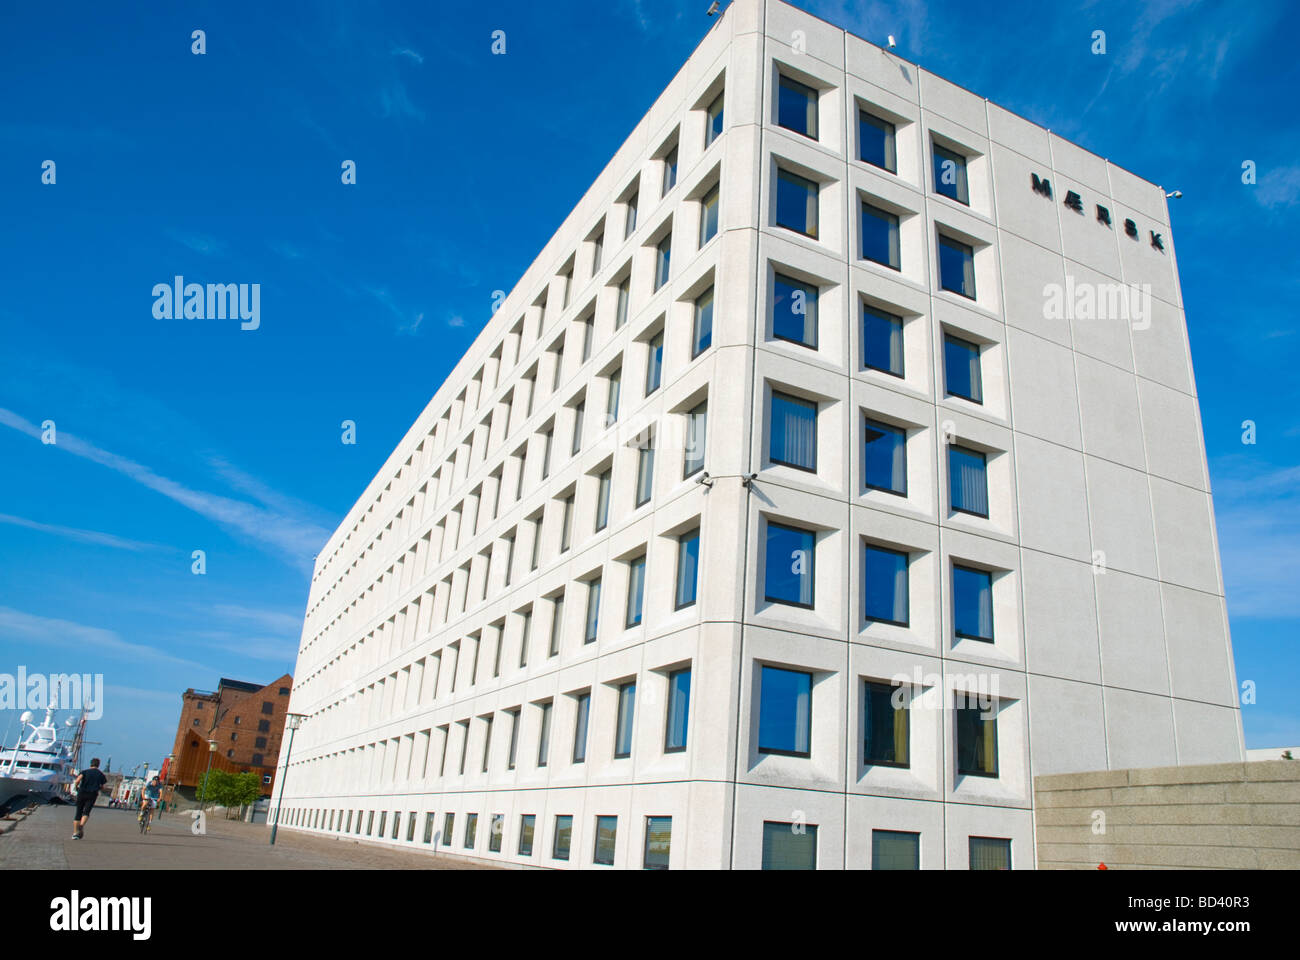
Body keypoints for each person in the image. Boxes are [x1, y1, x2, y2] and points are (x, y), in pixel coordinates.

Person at [71, 758, 108, 840]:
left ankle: (75, 833)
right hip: (92, 794)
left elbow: (77, 781)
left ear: (90, 764)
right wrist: (99, 788)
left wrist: (77, 788)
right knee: (86, 812)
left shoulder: (85, 772)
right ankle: (81, 826)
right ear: (98, 765)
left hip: (82, 793)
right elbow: (103, 787)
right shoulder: (100, 774)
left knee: (78, 812)